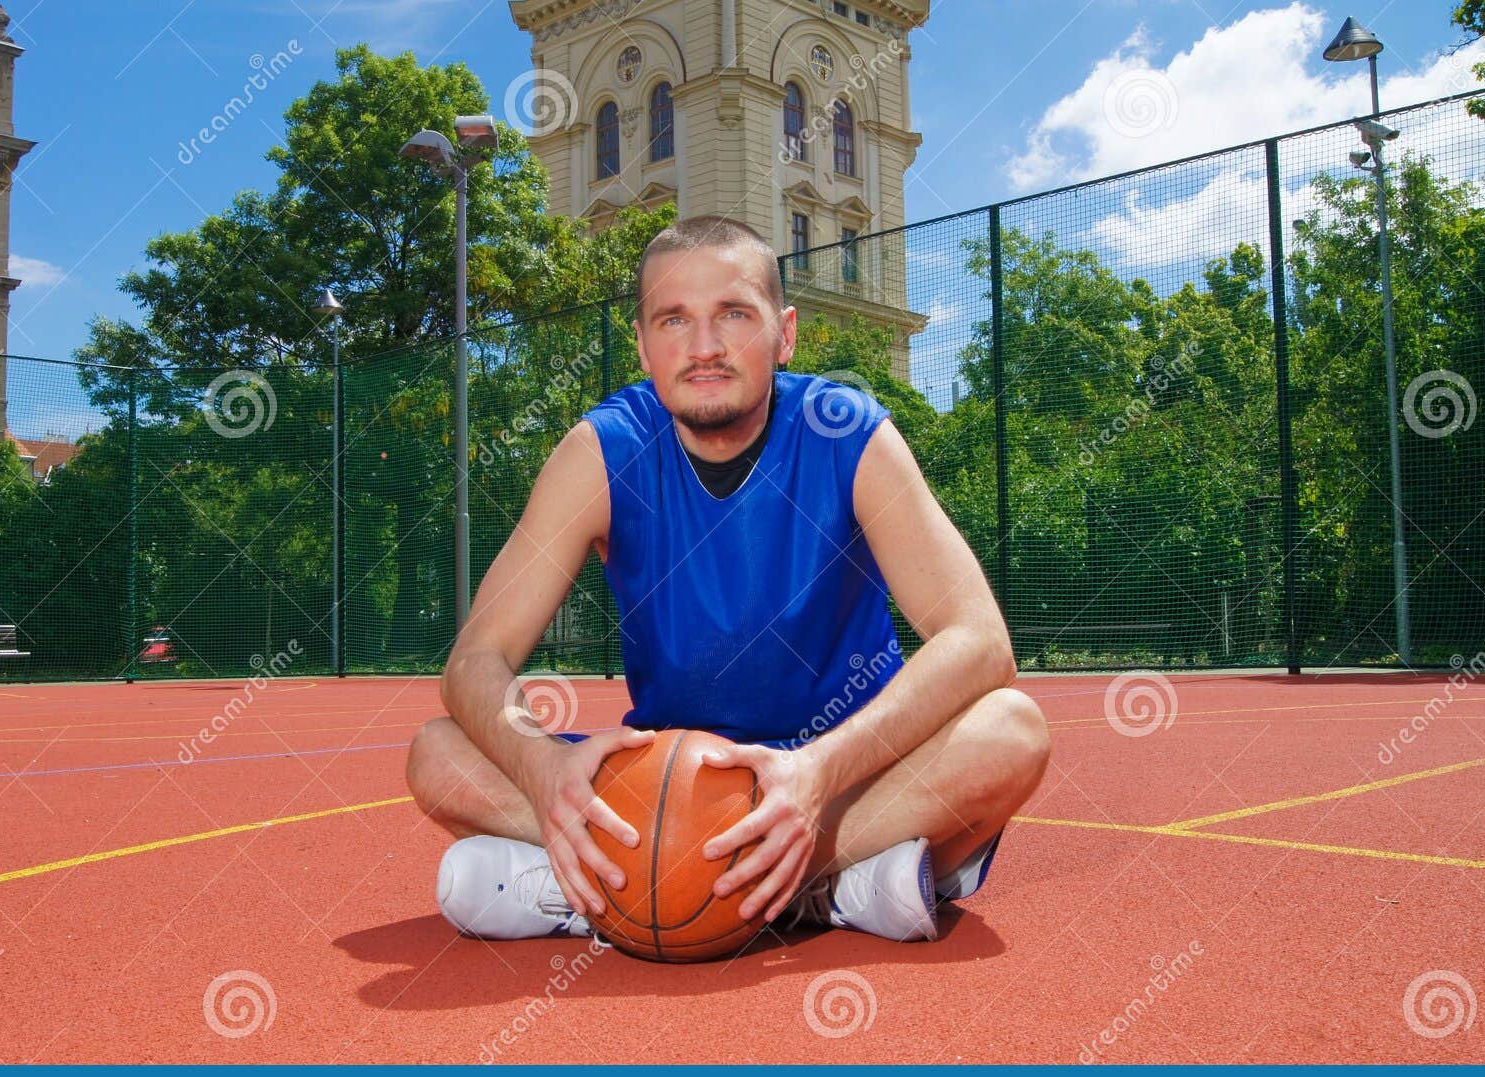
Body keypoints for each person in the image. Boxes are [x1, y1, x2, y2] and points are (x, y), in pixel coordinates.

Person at [407, 216, 1049, 946]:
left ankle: (622, 888)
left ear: (785, 334)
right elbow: (474, 661)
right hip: (675, 784)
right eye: (673, 319)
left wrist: (816, 770)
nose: (704, 347)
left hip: (842, 772)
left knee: (1011, 731)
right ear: (644, 342)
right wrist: (542, 765)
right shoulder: (602, 450)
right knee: (437, 753)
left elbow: (979, 641)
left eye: (734, 315)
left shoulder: (847, 431)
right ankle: (829, 886)